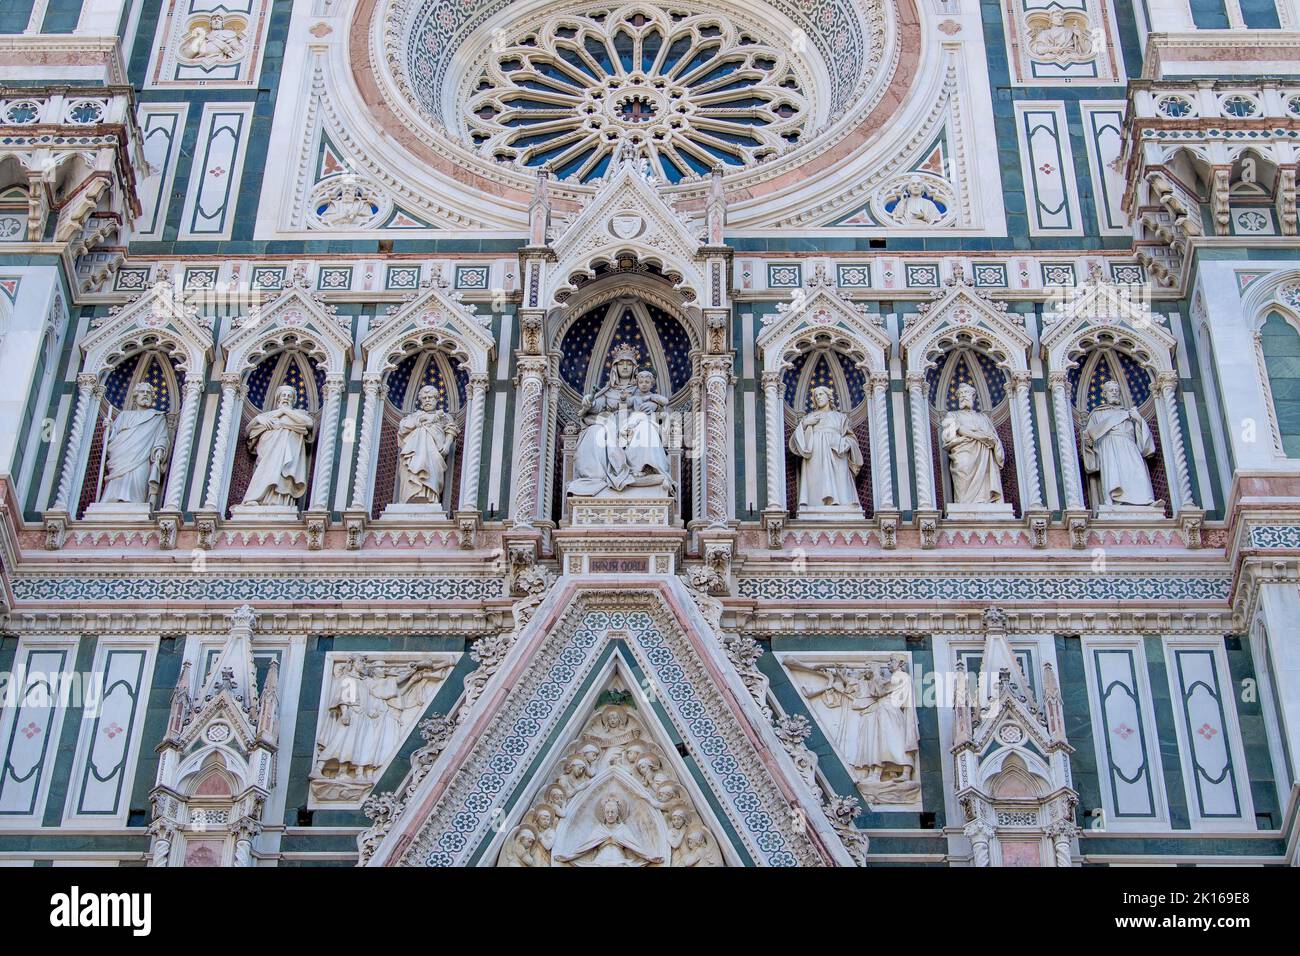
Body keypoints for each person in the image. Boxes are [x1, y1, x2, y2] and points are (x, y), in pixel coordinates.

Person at [788, 385, 863, 510]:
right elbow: (795, 443)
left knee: (841, 482)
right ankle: (814, 505)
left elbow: (852, 439)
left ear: (829, 397)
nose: (818, 397)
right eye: (816, 396)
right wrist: (805, 424)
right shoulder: (809, 418)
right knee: (817, 482)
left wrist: (842, 443)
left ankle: (843, 504)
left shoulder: (840, 417)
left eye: (821, 394)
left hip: (837, 452)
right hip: (815, 453)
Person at [99, 381, 170, 505]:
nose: (145, 394)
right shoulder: (124, 416)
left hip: (142, 459)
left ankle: (135, 505)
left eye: (148, 392)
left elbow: (162, 437)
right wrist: (109, 429)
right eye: (142, 392)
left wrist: (159, 449)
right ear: (135, 396)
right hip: (121, 457)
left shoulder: (157, 417)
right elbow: (111, 440)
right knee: (116, 485)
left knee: (137, 488)